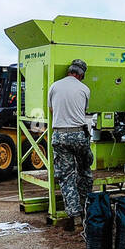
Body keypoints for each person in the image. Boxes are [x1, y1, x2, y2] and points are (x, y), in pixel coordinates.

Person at [46, 58, 93, 233]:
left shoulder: (54, 86)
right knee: (84, 172)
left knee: (66, 176)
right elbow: (84, 111)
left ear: (69, 71)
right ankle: (86, 213)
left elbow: (51, 109)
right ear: (81, 75)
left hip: (59, 134)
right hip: (79, 134)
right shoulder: (84, 89)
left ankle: (72, 215)